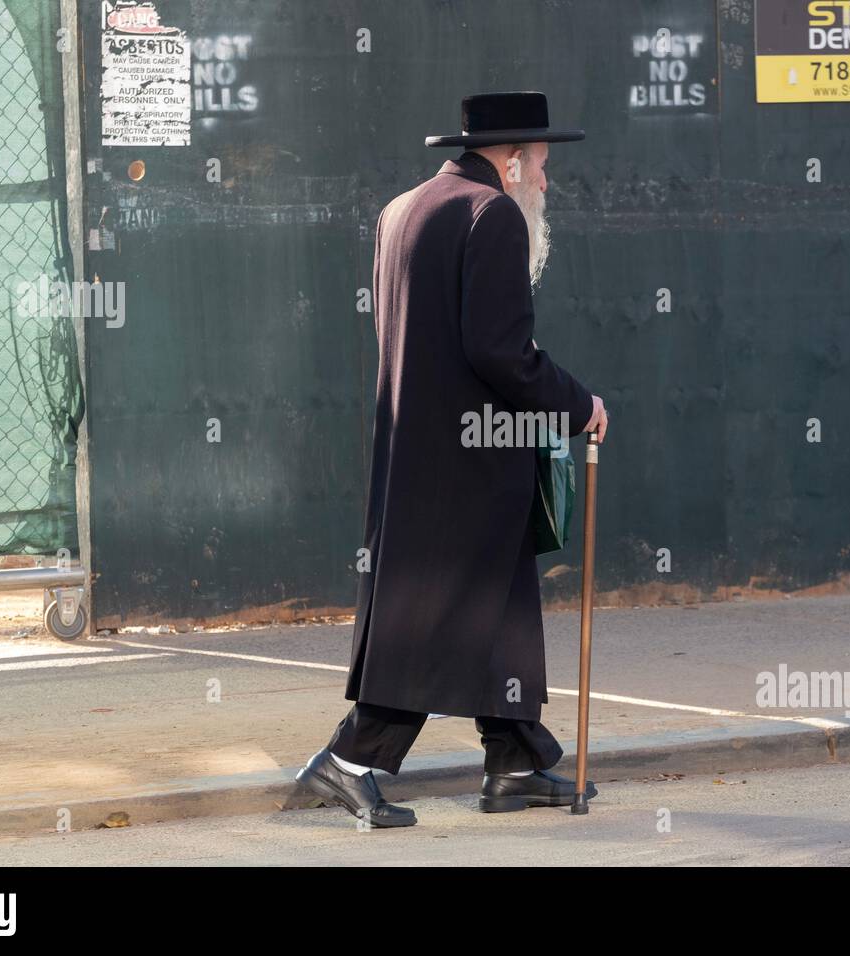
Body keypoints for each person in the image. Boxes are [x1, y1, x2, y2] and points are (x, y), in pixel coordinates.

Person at [296, 91, 609, 828]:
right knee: (434, 611)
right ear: (508, 159)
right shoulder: (490, 213)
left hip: (423, 442)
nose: (544, 182)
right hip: (470, 452)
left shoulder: (403, 207)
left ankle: (516, 762)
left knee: (498, 603)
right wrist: (579, 405)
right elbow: (500, 350)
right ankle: (352, 758)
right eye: (539, 165)